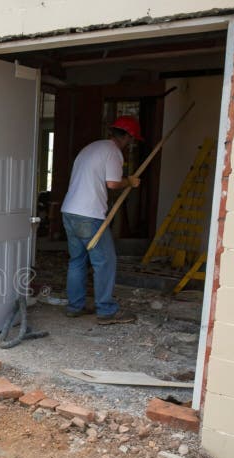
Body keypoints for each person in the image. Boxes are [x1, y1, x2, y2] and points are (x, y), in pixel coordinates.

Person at [60, 116, 143, 325]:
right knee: (105, 262)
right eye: (132, 139)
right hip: (89, 215)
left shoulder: (92, 147)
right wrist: (130, 182)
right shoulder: (113, 152)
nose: (131, 143)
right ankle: (106, 311)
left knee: (77, 261)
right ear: (127, 136)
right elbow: (113, 184)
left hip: (69, 211)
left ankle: (74, 306)